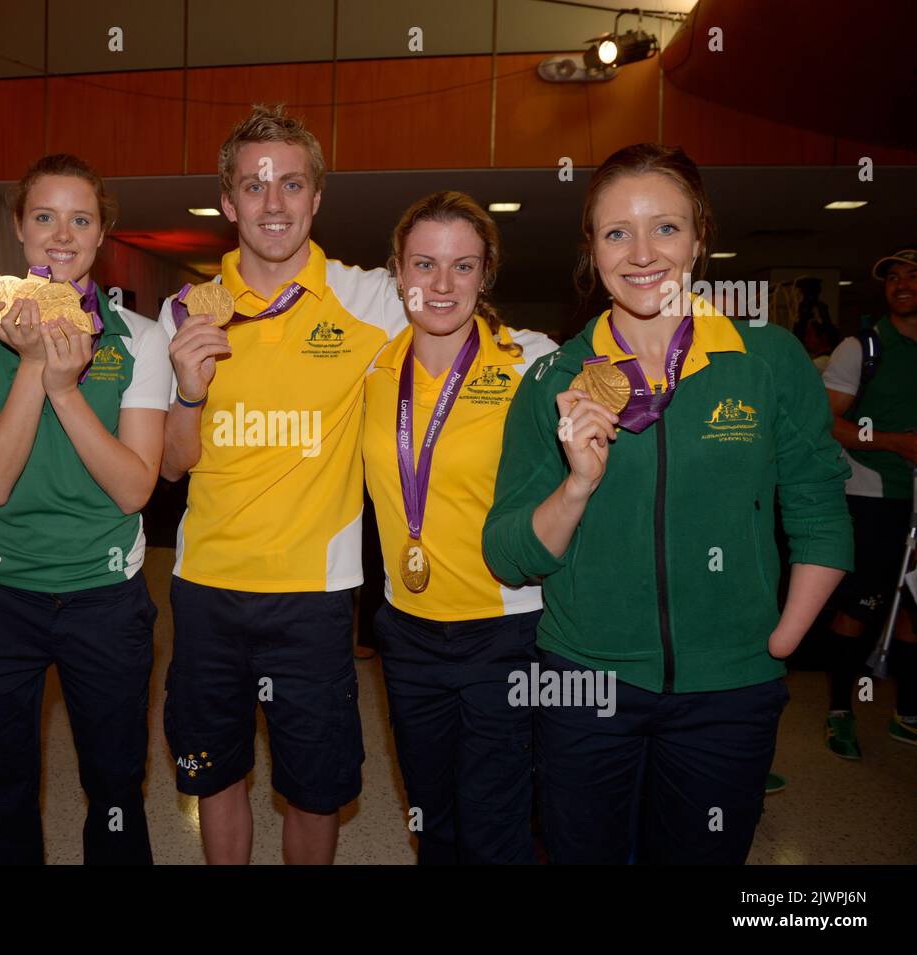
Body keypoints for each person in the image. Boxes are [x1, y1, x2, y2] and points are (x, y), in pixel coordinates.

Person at [483, 143, 852, 864]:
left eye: (666, 227)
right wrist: (577, 483)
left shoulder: (767, 361)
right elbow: (509, 552)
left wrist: (777, 644)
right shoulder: (553, 377)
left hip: (729, 692)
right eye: (616, 231)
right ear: (591, 249)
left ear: (701, 236)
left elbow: (819, 514)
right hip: (584, 682)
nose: (642, 251)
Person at [160, 105, 404, 864]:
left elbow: (470, 321)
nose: (274, 204)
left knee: (315, 786)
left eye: (291, 184)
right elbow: (170, 465)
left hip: (316, 593)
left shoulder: (373, 301)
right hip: (205, 586)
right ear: (228, 201)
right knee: (216, 774)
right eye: (254, 186)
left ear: (317, 196)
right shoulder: (184, 311)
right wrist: (190, 391)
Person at [0, 154, 170, 864]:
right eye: (44, 216)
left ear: (102, 234)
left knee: (114, 783)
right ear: (18, 227)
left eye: (81, 219)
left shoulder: (141, 337)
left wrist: (66, 388)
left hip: (106, 594)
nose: (61, 235)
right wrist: (37, 363)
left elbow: (134, 489)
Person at [363, 191, 557, 864]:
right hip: (406, 627)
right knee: (431, 815)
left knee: (496, 823)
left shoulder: (531, 361)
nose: (441, 285)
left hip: (506, 629)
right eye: (424, 264)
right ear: (397, 270)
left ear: (486, 272)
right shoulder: (370, 368)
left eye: (462, 266)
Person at [820, 247, 917, 755]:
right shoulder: (864, 349)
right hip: (874, 496)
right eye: (893, 277)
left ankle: (907, 710)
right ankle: (840, 709)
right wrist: (894, 440)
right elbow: (830, 424)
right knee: (863, 602)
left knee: (913, 605)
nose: (901, 284)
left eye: (912, 275)